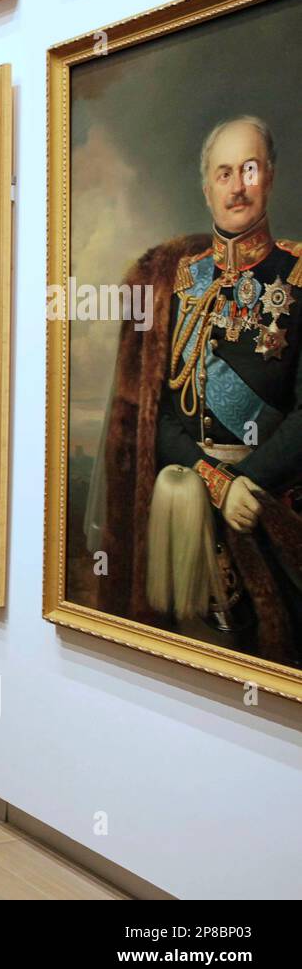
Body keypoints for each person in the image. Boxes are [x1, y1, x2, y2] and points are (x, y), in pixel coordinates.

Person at [92, 116, 302, 660]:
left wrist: (245, 486)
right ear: (206, 188)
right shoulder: (177, 286)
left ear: (270, 177)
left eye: (249, 170)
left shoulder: (298, 278)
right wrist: (216, 484)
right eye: (224, 173)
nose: (237, 186)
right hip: (188, 509)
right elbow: (152, 414)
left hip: (270, 505)